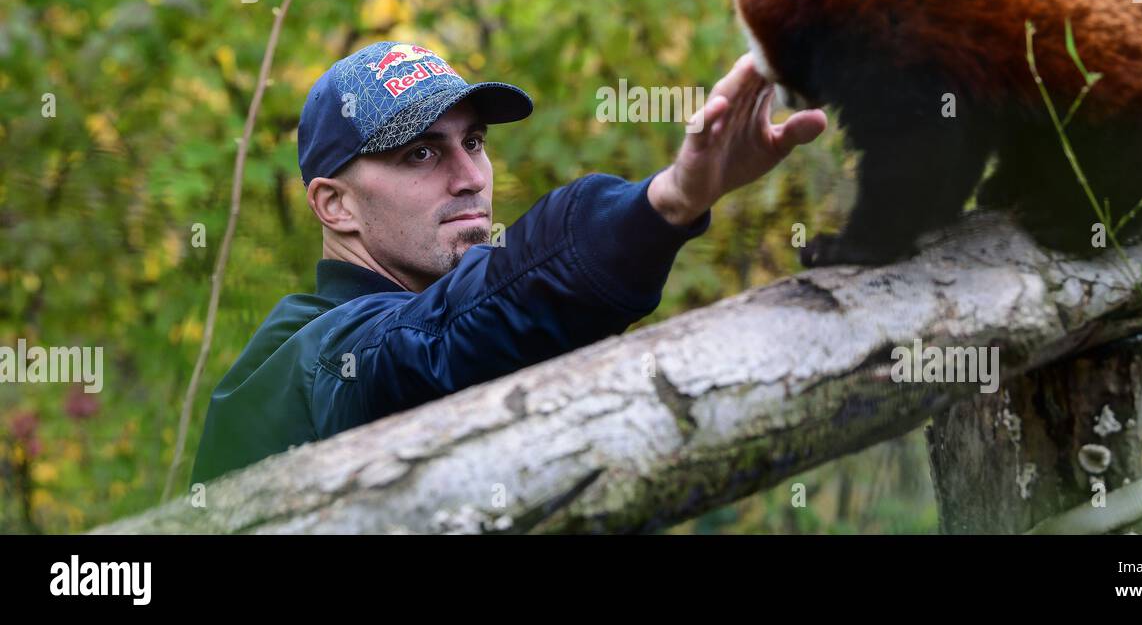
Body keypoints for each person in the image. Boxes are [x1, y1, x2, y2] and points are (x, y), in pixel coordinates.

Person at [191, 40, 826, 484]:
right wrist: (666, 203)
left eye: (474, 143)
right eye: (421, 153)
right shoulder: (316, 353)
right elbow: (444, 336)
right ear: (335, 206)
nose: (470, 178)